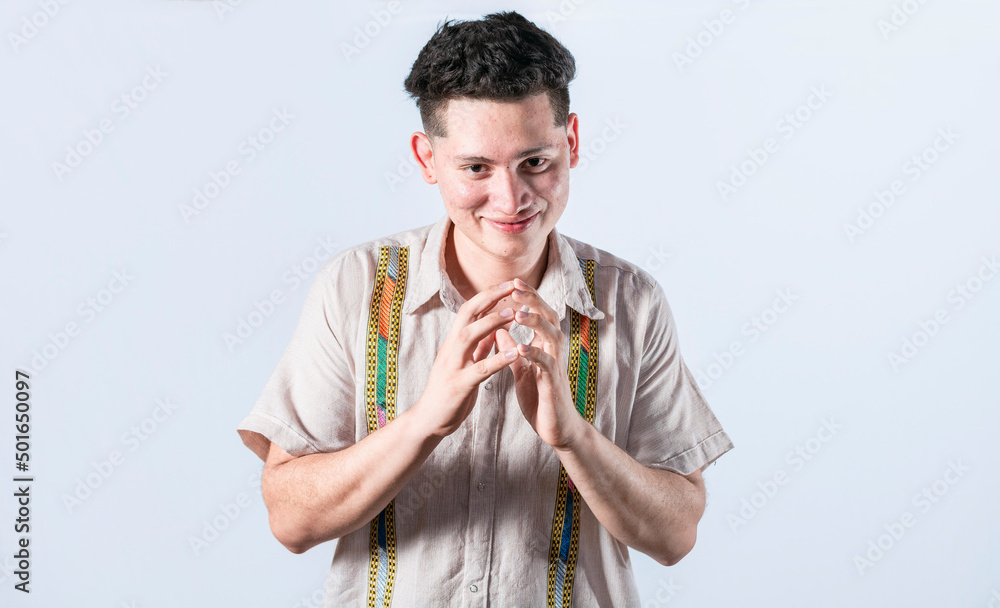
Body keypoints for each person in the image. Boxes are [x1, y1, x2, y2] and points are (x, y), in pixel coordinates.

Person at [237, 11, 733, 607]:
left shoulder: (630, 301)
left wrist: (572, 437)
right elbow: (291, 520)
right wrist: (426, 422)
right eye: (476, 168)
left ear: (570, 142)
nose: (511, 198)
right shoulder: (356, 287)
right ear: (427, 159)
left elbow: (676, 534)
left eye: (536, 162)